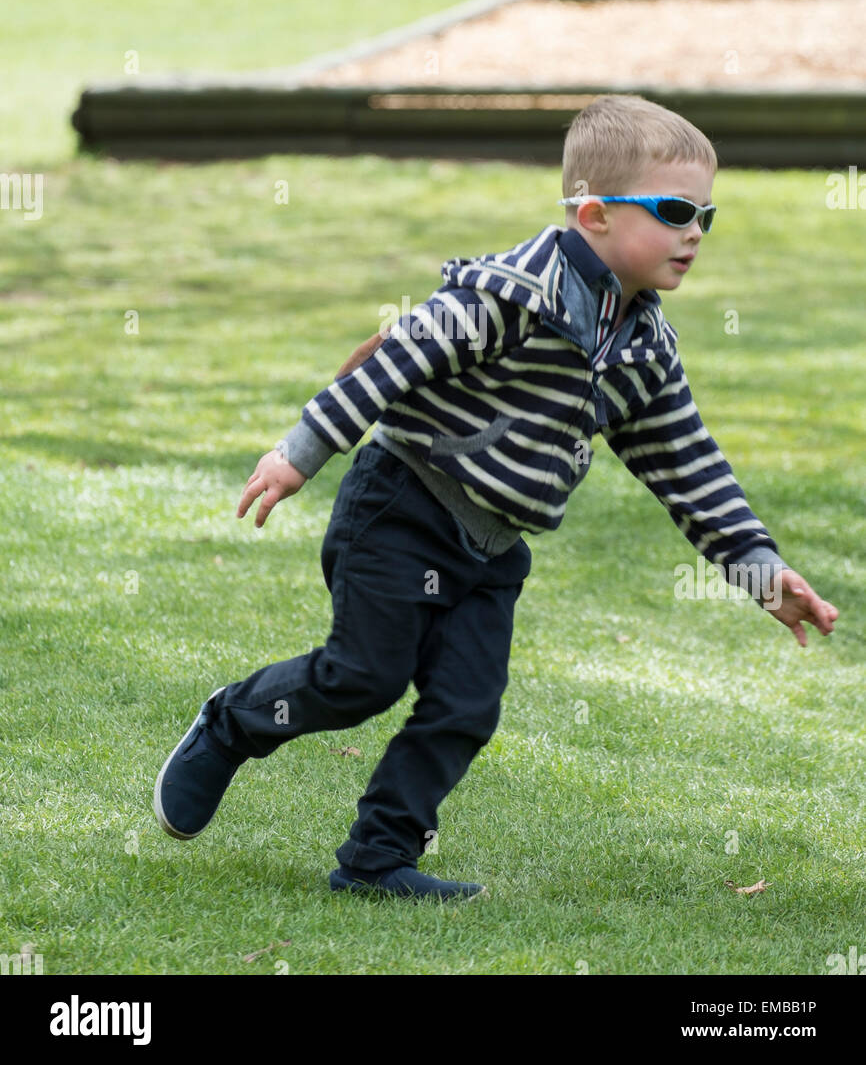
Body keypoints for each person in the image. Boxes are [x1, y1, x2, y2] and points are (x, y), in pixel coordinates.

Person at [153, 93, 838, 902]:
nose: (694, 232)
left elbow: (687, 467)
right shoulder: (513, 295)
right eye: (675, 209)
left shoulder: (645, 346)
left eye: (707, 216)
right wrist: (298, 454)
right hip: (402, 508)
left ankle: (375, 862)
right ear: (595, 214)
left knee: (466, 708)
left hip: (491, 549)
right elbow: (394, 361)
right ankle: (232, 724)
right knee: (363, 678)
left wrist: (760, 571)